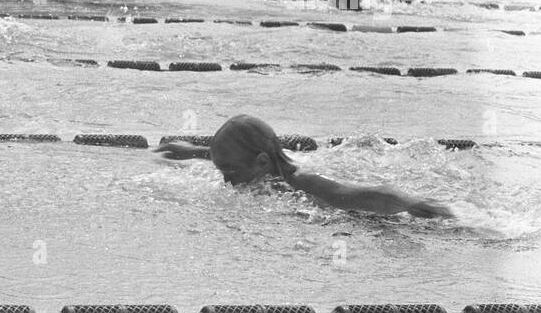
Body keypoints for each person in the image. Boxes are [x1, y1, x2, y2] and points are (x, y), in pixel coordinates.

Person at [154, 115, 452, 217]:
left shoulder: (301, 182)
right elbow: (235, 159)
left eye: (230, 173)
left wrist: (414, 204)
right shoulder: (265, 164)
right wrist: (193, 151)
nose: (226, 183)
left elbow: (364, 194)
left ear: (261, 163)